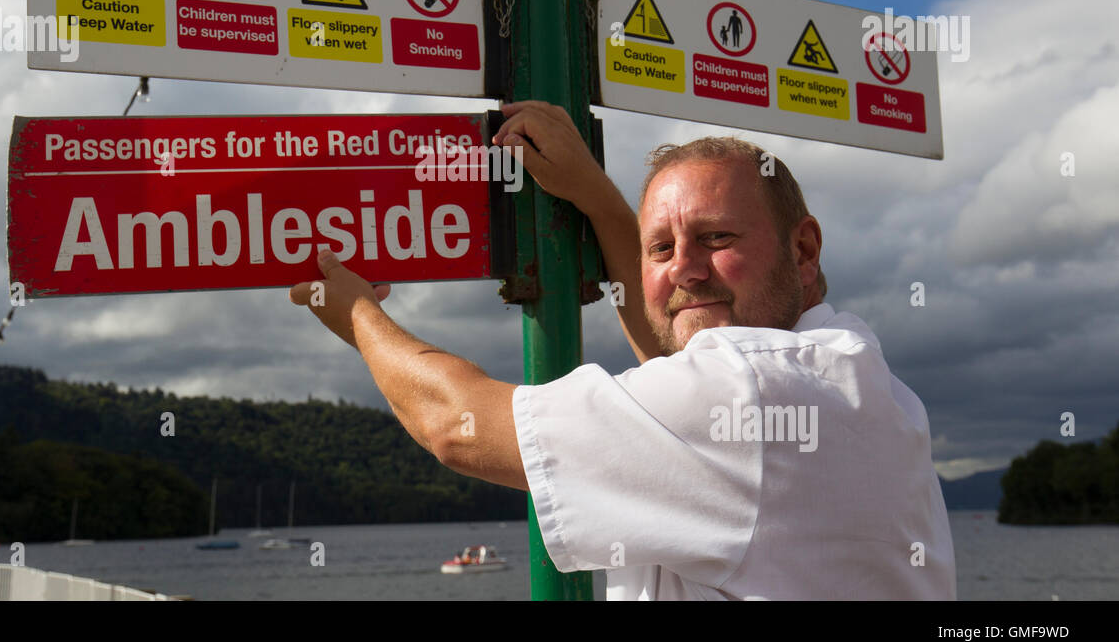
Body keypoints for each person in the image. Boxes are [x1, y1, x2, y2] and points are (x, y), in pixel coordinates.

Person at [290, 101, 956, 600]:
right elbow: (676, 355)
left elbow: (455, 425)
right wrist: (595, 196)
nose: (685, 269)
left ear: (803, 249)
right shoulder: (857, 377)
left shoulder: (755, 387)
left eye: (717, 238)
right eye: (661, 249)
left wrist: (356, 313)